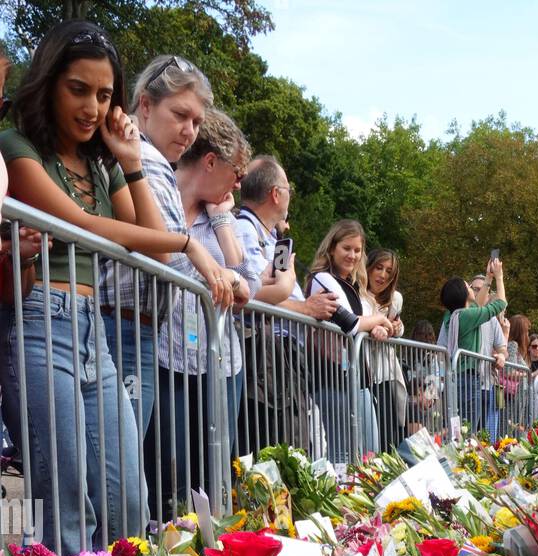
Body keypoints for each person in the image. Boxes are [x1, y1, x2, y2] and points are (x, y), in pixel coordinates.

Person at [0, 20, 228, 555]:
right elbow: (85, 228)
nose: (92, 109)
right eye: (78, 89)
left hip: (91, 332)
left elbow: (150, 245)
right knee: (67, 503)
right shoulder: (16, 145)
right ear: (49, 82)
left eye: (104, 95)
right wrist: (188, 243)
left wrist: (129, 162)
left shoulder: (101, 165)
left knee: (130, 497)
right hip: (36, 324)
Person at [100, 54, 231, 447]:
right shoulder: (142, 159)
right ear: (145, 105)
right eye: (180, 115)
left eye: (195, 122)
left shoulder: (155, 162)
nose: (189, 131)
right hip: (121, 326)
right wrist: (229, 278)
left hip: (137, 327)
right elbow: (169, 257)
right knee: (119, 471)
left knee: (122, 467)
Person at [146, 109, 252, 516]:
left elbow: (247, 284)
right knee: (166, 473)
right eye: (236, 171)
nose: (239, 183)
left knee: (213, 473)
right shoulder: (157, 195)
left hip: (218, 364)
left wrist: (223, 223)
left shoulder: (225, 218)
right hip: (164, 356)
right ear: (211, 162)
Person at [234, 155, 337, 456]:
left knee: (295, 443)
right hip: (265, 361)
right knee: (275, 445)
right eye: (288, 188)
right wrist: (305, 309)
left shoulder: (269, 236)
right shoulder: (244, 231)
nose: (291, 195)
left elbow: (274, 293)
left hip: (282, 357)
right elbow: (251, 297)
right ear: (275, 194)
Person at [305, 219, 392, 474]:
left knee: (369, 451)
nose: (352, 255)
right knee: (343, 453)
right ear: (332, 248)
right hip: (332, 377)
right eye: (347, 248)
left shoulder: (353, 286)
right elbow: (352, 324)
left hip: (357, 378)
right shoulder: (322, 279)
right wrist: (378, 320)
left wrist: (377, 326)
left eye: (357, 250)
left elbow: (366, 322)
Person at [440, 258, 506, 432]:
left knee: (458, 428)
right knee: (468, 431)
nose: (472, 289)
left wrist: (488, 278)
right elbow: (500, 304)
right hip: (469, 379)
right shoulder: (467, 317)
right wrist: (499, 277)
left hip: (456, 379)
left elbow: (477, 304)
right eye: (469, 287)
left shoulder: (452, 315)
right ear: (462, 294)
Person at [364, 248, 407, 453]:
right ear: (368, 267)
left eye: (388, 271)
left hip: (386, 374)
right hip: (365, 373)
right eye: (378, 268)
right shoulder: (357, 295)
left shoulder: (394, 299)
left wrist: (397, 328)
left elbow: (397, 325)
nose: (382, 275)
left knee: (390, 434)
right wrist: (376, 327)